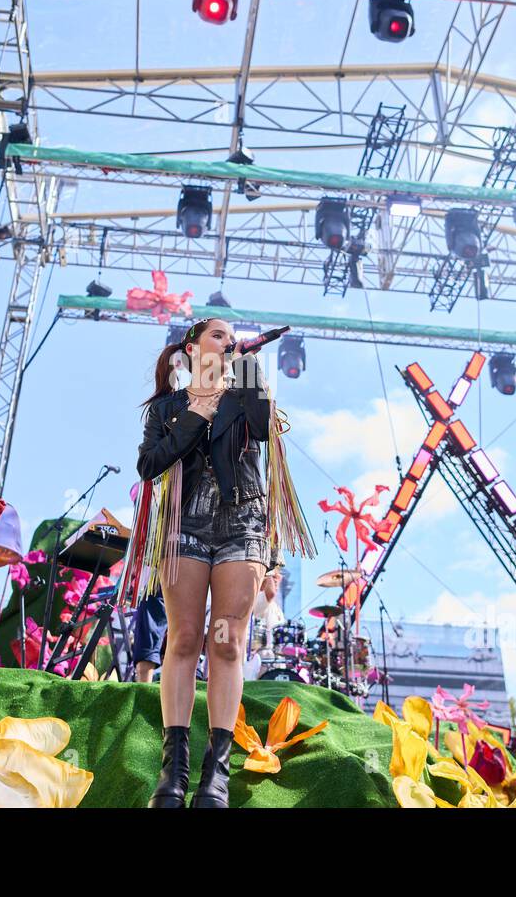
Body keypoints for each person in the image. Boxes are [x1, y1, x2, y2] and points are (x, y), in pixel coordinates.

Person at [127, 318, 313, 808]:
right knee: (184, 637)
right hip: (185, 526)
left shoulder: (247, 391)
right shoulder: (167, 407)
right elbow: (150, 465)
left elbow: (264, 430)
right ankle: (174, 768)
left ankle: (217, 772)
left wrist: (247, 370)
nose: (227, 341)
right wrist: (197, 412)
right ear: (191, 348)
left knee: (227, 639)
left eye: (232, 338)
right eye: (217, 335)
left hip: (242, 526)